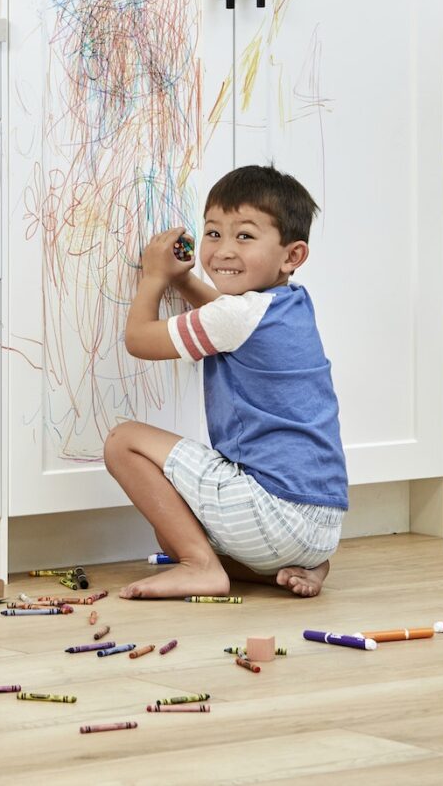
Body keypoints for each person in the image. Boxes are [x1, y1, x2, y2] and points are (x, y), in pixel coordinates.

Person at [104, 164, 348, 600]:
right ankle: (295, 568)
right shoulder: (288, 303)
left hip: (271, 513)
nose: (223, 250)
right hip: (320, 528)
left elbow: (139, 339)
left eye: (245, 236)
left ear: (292, 256)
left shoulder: (237, 316)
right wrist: (185, 279)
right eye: (213, 233)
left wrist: (156, 276)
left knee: (124, 441)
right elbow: (221, 315)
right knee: (173, 531)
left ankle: (201, 567)